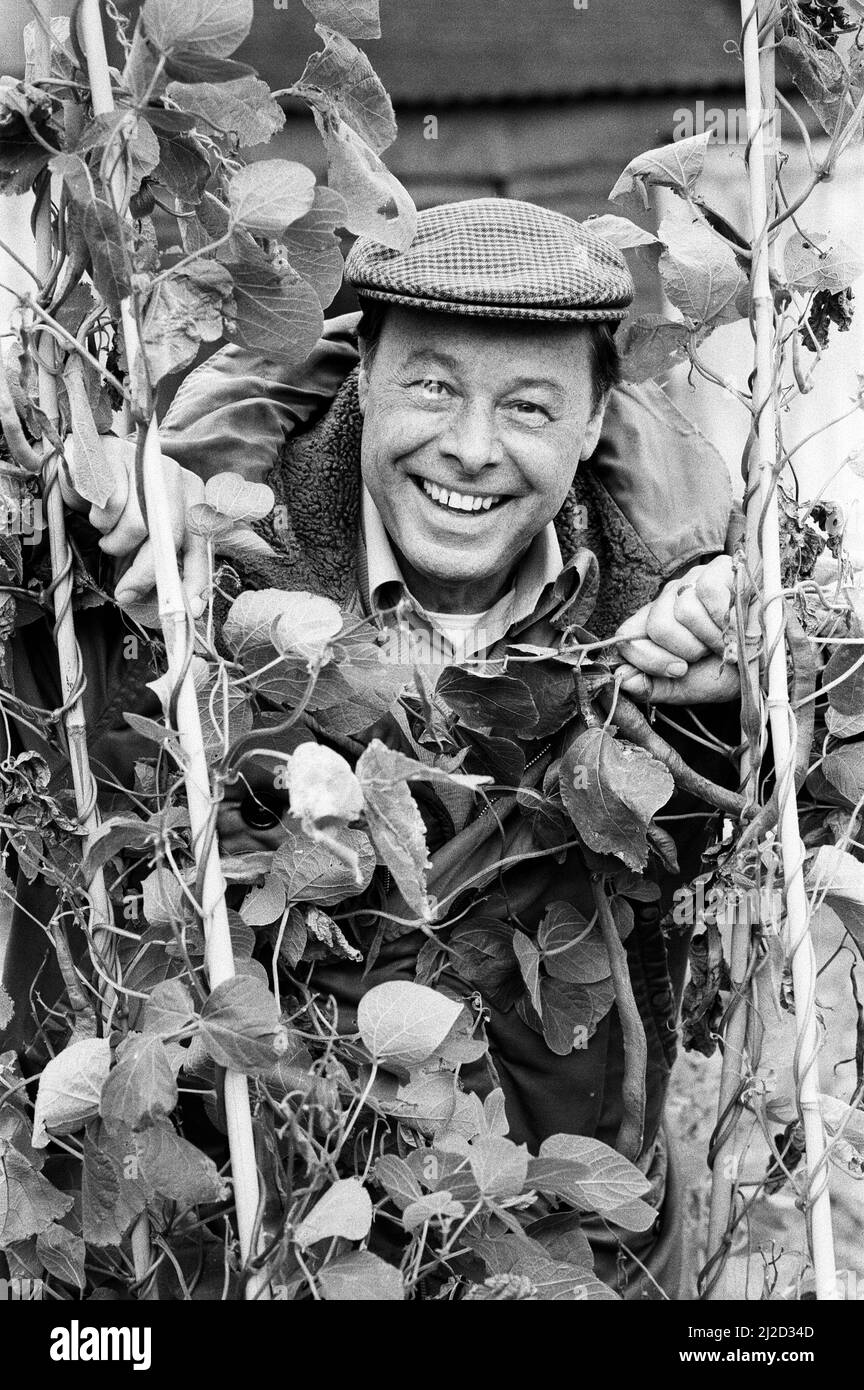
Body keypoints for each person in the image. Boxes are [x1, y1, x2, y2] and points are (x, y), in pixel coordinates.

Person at [1, 199, 741, 1297]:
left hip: (568, 1245)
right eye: (432, 387)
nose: (472, 449)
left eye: (529, 406)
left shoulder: (660, 606)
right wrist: (61, 513)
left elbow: (726, 831)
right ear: (364, 373)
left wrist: (739, 692)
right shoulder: (201, 562)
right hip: (236, 1246)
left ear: (594, 423)